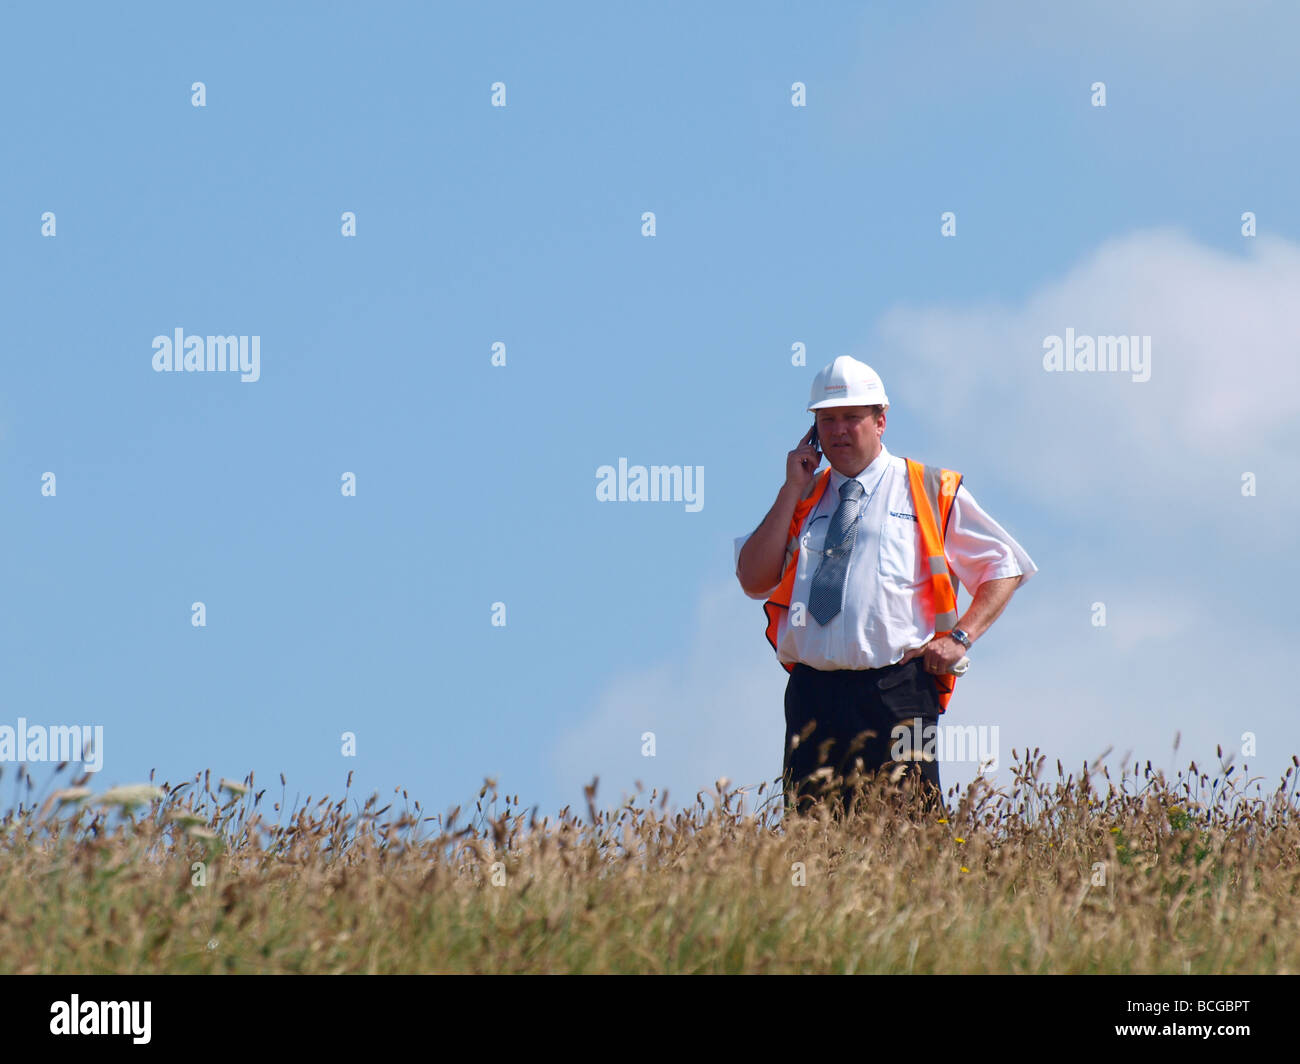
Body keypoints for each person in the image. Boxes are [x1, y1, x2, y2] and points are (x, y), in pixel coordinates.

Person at [734, 356, 1037, 818]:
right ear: (813, 431)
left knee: (911, 834)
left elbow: (1005, 563)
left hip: (898, 691)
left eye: (852, 418)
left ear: (880, 421)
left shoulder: (928, 488)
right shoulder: (803, 497)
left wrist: (959, 639)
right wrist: (790, 488)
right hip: (812, 694)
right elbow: (754, 580)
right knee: (814, 838)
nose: (839, 431)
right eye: (827, 420)